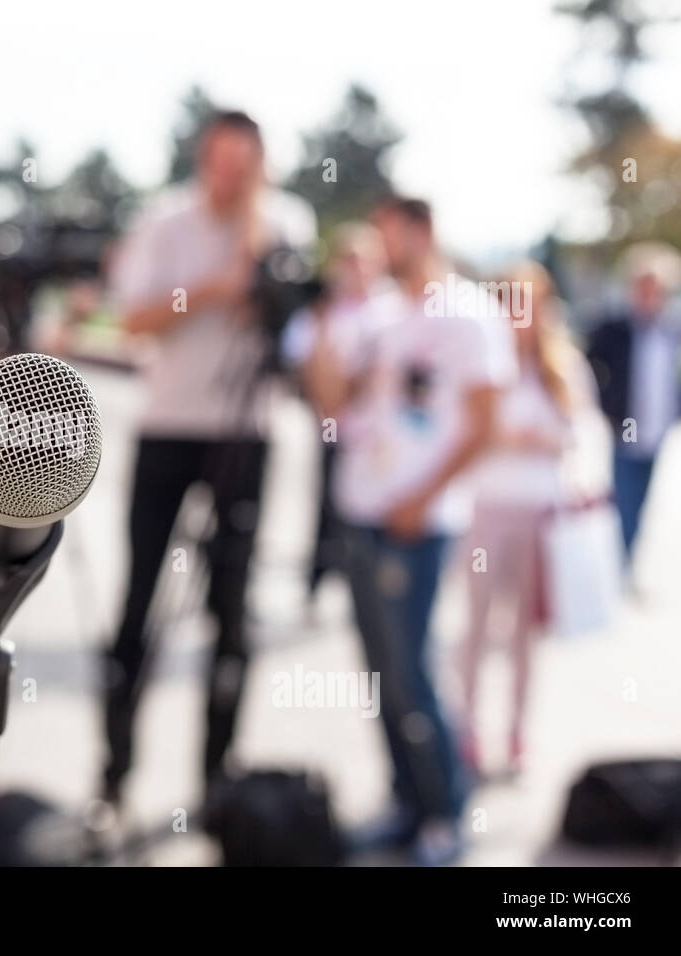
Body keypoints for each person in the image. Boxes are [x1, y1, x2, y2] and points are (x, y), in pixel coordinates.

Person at [100, 109, 315, 810]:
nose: (231, 180)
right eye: (221, 164)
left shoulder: (286, 222)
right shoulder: (165, 221)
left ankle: (217, 782)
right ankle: (116, 768)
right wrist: (213, 290)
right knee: (140, 600)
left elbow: (295, 321)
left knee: (232, 609)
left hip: (245, 431)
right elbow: (131, 320)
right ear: (203, 160)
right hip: (169, 426)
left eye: (244, 167)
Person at [307, 197, 514, 865]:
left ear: (420, 232)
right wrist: (324, 321)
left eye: (390, 232)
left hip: (415, 525)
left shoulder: (468, 314)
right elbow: (333, 401)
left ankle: (446, 813)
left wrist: (421, 499)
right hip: (363, 513)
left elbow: (485, 425)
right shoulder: (382, 315)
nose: (378, 243)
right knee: (381, 673)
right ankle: (406, 802)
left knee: (413, 673)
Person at [459, 263, 595, 776]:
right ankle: (466, 725)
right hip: (486, 506)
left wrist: (535, 439)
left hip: (541, 511)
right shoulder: (484, 363)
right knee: (475, 624)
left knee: (524, 632)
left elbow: (576, 430)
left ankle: (517, 729)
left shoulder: (561, 365)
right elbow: (466, 429)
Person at [284, 221, 393, 622]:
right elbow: (302, 360)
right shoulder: (323, 311)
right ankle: (317, 584)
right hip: (333, 429)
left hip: (375, 437)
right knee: (328, 508)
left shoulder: (391, 309)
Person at [585, 242, 681, 579]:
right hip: (625, 430)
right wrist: (607, 407)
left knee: (642, 504)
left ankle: (624, 565)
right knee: (623, 502)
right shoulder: (613, 329)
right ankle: (616, 568)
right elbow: (587, 370)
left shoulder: (671, 331)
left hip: (657, 432)